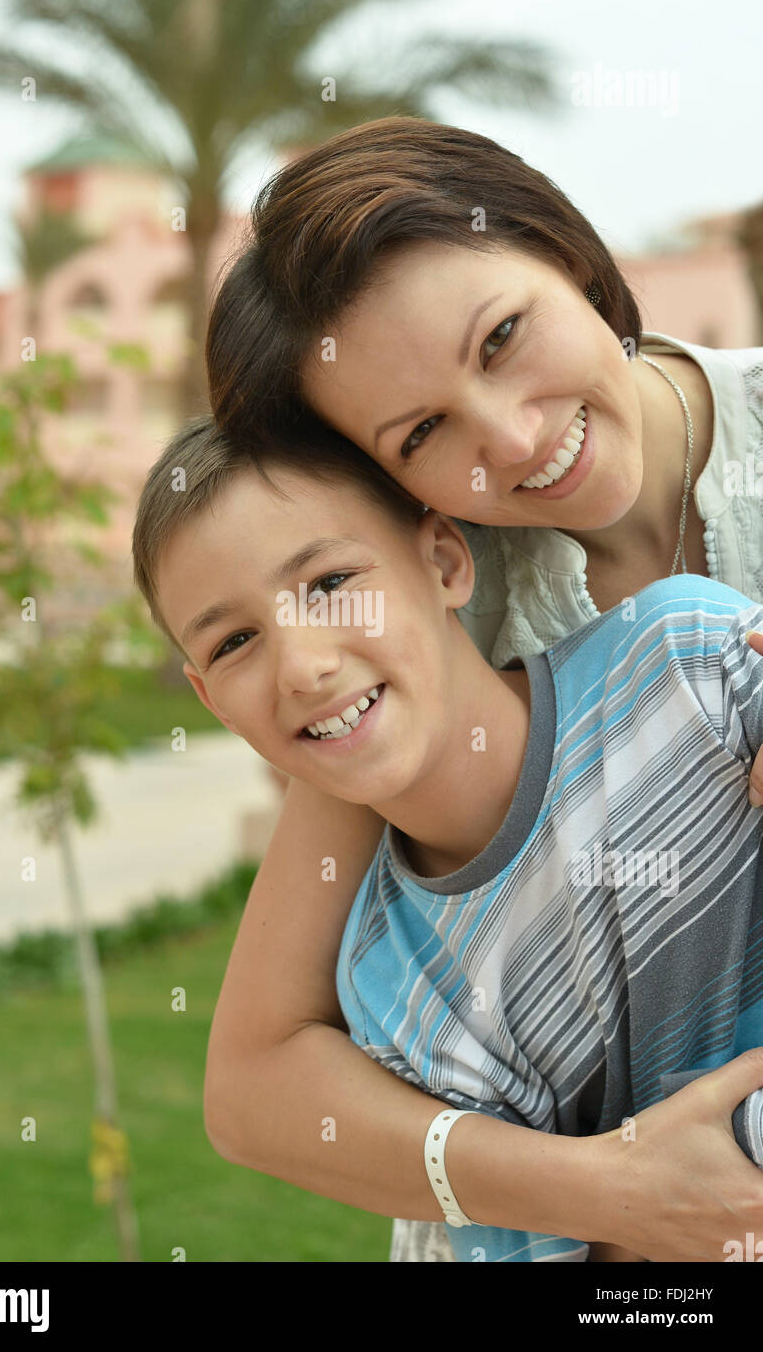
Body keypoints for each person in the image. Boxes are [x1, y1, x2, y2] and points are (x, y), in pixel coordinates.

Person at [202, 116, 763, 1261]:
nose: (514, 438)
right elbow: (255, 1086)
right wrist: (606, 1192)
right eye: (421, 432)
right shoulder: (435, 610)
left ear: (564, 249)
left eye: (502, 336)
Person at [132, 414, 763, 1263]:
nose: (301, 667)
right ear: (211, 702)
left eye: (329, 583)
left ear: (443, 561)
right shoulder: (393, 995)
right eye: (236, 641)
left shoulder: (685, 666)